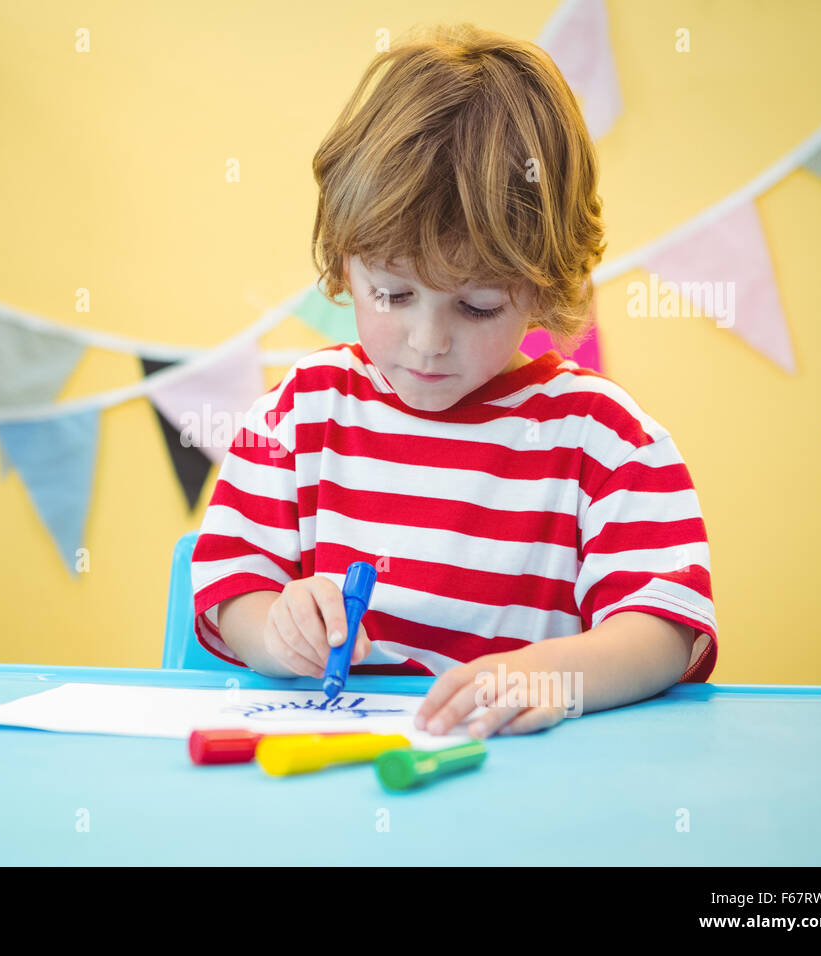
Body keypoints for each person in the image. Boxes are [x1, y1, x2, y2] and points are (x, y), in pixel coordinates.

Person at [190, 22, 717, 740]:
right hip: (337, 787)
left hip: (531, 804)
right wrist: (277, 629)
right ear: (346, 263)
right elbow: (230, 589)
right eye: (393, 295)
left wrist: (554, 674)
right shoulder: (300, 415)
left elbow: (665, 627)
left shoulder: (603, 441)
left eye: (477, 306)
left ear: (542, 286)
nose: (428, 343)